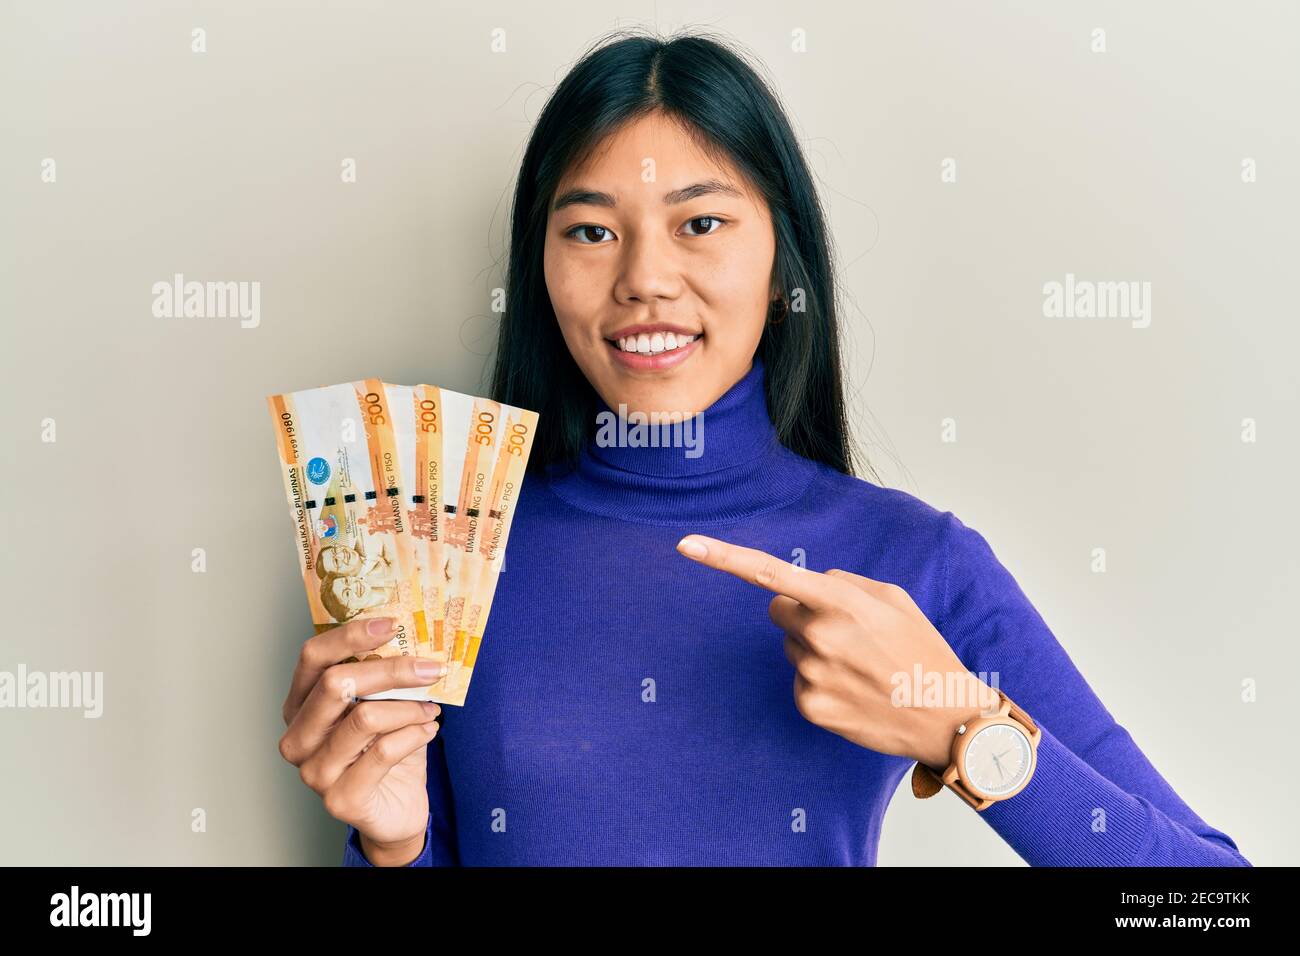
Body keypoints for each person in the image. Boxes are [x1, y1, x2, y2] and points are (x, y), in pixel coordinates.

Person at [277, 29, 1251, 867]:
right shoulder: (443, 548)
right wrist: (394, 845)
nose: (645, 278)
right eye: (589, 230)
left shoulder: (915, 561)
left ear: (780, 254)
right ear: (540, 266)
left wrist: (961, 727)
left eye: (700, 222)